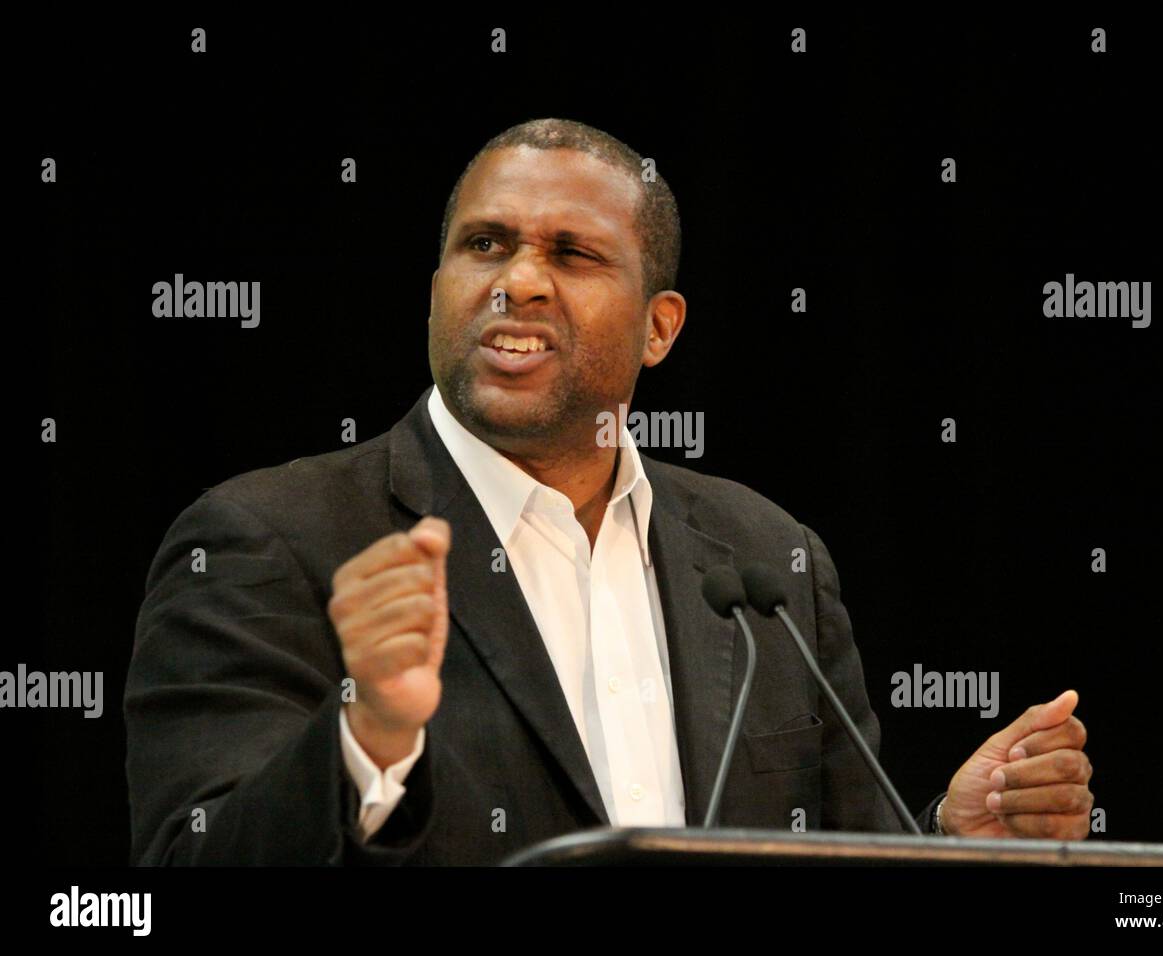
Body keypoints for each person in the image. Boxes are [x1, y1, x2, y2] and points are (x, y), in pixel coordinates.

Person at [125, 118, 1093, 865]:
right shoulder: (269, 538)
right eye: (485, 245)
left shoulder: (766, 557)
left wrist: (948, 837)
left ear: (659, 328)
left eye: (572, 253)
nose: (517, 282)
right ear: (434, 292)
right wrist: (364, 739)